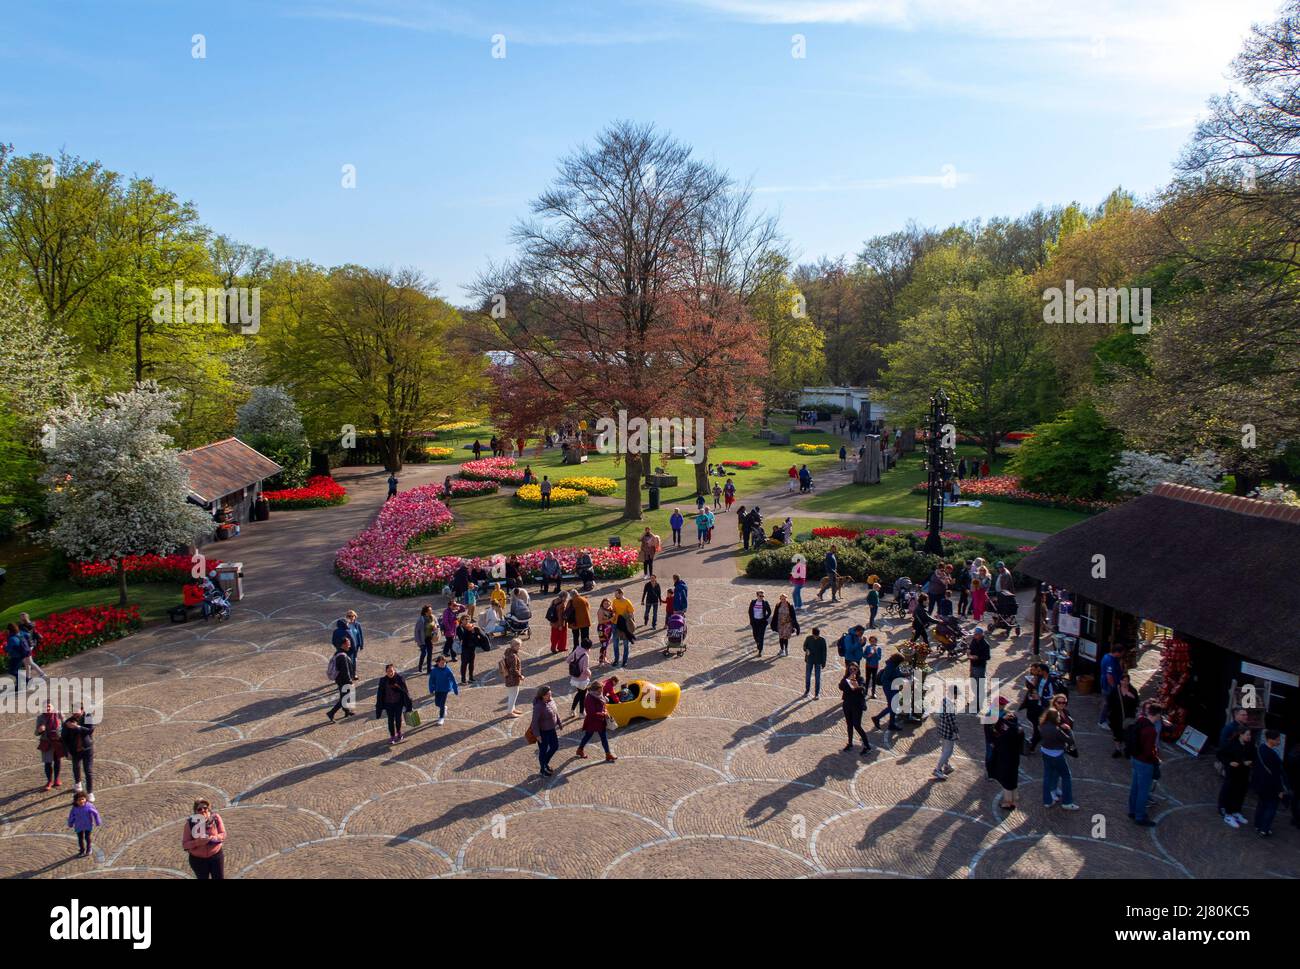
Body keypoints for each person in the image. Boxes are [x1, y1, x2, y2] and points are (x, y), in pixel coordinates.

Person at [1128, 703, 1163, 827]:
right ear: (1157, 715)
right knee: (1143, 790)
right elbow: (1149, 751)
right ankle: (1140, 816)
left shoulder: (1141, 721)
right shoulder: (1151, 730)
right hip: (1145, 762)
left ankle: (1132, 811)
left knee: (1135, 787)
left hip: (1135, 758)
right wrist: (1156, 759)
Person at [1039, 708, 1080, 810]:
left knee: (1047, 775)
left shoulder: (1042, 726)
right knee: (1066, 776)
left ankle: (1047, 801)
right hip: (1057, 754)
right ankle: (1067, 802)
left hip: (1045, 752)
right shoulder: (1056, 730)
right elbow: (1070, 740)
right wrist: (1069, 730)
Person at [986, 699, 1023, 810]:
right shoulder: (1018, 731)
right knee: (1013, 778)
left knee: (1007, 780)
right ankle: (1014, 800)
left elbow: (994, 738)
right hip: (1014, 757)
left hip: (1005, 757)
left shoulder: (1004, 733)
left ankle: (1008, 802)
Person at [1217, 725, 1254, 828]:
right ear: (1241, 734)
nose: (1249, 736)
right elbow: (1220, 755)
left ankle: (1236, 811)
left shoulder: (1250, 745)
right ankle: (1228, 814)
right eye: (1247, 734)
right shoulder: (1231, 744)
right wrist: (1229, 762)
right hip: (1233, 773)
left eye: (1250, 735)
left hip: (1244, 773)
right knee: (1231, 792)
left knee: (1241, 793)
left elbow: (1253, 756)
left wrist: (1250, 762)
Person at [1251, 729, 1287, 837]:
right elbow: (1276, 775)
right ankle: (1264, 828)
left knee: (1261, 805)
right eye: (1277, 740)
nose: (1279, 742)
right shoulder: (1272, 755)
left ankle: (1258, 825)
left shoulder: (1260, 749)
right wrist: (1280, 790)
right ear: (1270, 740)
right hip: (1271, 786)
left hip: (1260, 784)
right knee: (1271, 807)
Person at [182, 798, 227, 879]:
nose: (203, 810)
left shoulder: (215, 818)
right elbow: (185, 844)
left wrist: (212, 838)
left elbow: (223, 834)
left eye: (205, 808)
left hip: (216, 857)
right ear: (195, 811)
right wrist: (197, 842)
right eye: (199, 809)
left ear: (208, 808)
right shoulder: (190, 824)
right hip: (198, 860)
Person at [577, 682, 617, 762]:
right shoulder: (589, 698)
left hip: (600, 721)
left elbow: (603, 705)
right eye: (600, 690)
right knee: (588, 735)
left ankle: (608, 754)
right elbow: (591, 713)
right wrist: (603, 714)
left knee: (603, 737)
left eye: (601, 690)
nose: (601, 692)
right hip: (593, 721)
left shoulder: (599, 695)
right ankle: (580, 750)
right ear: (595, 690)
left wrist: (605, 711)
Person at [61, 708, 95, 801]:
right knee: (76, 767)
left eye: (77, 711)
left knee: (88, 771)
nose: (75, 713)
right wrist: (67, 752)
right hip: (75, 750)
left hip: (87, 749)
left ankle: (90, 792)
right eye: (73, 712)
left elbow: (90, 730)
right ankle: (78, 783)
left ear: (82, 710)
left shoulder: (88, 717)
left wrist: (77, 727)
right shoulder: (68, 722)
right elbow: (64, 738)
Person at [375, 663, 413, 744]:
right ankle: (392, 736)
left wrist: (408, 704)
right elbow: (380, 693)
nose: (390, 673)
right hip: (388, 704)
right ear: (386, 672)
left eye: (391, 671)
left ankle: (399, 732)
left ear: (394, 670)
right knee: (390, 720)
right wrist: (379, 706)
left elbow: (405, 691)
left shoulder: (400, 678)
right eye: (388, 671)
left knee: (398, 719)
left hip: (398, 703)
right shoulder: (383, 680)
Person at [838, 663, 872, 754]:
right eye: (851, 669)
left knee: (857, 725)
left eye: (855, 669)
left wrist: (856, 686)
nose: (853, 671)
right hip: (847, 704)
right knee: (849, 724)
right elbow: (841, 687)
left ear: (858, 670)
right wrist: (848, 679)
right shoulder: (846, 678)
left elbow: (863, 689)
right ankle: (850, 743)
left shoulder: (860, 679)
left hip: (857, 705)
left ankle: (867, 746)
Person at [1107, 674, 1140, 758]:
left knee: (1128, 735)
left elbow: (1137, 703)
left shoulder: (1133, 691)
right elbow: (1109, 701)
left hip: (1128, 717)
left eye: (1127, 681)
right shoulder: (1115, 690)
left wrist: (1132, 697)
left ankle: (1127, 749)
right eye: (1123, 680)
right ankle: (1118, 750)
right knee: (1117, 734)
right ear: (1120, 681)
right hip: (1116, 717)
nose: (1125, 682)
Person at [531, 686, 561, 776]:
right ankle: (543, 769)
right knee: (543, 751)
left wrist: (559, 722)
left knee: (555, 746)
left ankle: (545, 763)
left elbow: (555, 711)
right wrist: (537, 735)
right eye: (548, 694)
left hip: (551, 729)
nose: (550, 695)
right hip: (543, 732)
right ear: (542, 695)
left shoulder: (551, 701)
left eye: (550, 694)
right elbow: (534, 722)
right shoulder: (538, 707)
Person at [872, 653, 905, 731]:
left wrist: (902, 675)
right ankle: (877, 718)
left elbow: (896, 674)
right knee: (892, 707)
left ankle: (891, 724)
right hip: (889, 689)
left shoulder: (894, 665)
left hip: (894, 689)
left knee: (894, 706)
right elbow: (884, 680)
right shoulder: (890, 667)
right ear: (897, 661)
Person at [326, 639, 357, 722]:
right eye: (348, 644)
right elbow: (345, 671)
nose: (349, 646)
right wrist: (350, 682)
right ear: (343, 645)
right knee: (344, 698)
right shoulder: (342, 656)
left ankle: (347, 711)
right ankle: (331, 713)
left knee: (344, 696)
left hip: (340, 680)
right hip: (344, 681)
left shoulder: (338, 653)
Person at [36, 701, 64, 790]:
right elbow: (36, 733)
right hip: (47, 743)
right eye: (45, 707)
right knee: (48, 763)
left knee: (57, 760)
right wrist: (40, 730)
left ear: (53, 707)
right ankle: (49, 781)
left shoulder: (58, 714)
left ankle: (56, 779)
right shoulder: (40, 718)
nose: (47, 708)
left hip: (57, 742)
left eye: (49, 706)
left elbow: (65, 725)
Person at [932, 692, 959, 780]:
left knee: (944, 749)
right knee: (948, 751)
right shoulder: (950, 705)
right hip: (948, 731)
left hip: (942, 729)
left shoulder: (944, 700)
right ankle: (938, 769)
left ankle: (946, 765)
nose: (957, 696)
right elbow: (951, 720)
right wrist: (956, 731)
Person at [427, 654, 459, 726]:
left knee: (441, 703)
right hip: (438, 689)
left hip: (445, 689)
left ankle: (441, 718)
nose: (443, 664)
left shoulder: (448, 670)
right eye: (441, 663)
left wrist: (455, 688)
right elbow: (431, 680)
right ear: (437, 663)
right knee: (437, 703)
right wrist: (431, 689)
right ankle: (444, 708)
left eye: (444, 663)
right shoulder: (434, 671)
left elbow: (453, 679)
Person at [68, 790, 101, 857]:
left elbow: (95, 813)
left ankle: (89, 849)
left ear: (85, 799)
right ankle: (82, 850)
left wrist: (97, 821)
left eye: (82, 799)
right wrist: (70, 823)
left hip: (88, 824)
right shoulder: (75, 808)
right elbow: (71, 816)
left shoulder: (89, 806)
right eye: (79, 800)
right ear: (76, 801)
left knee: (87, 837)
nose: (81, 801)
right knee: (80, 838)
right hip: (78, 825)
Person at [1098, 643, 1124, 726]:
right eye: (1121, 653)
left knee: (1109, 703)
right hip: (1108, 686)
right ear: (1117, 652)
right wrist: (1114, 687)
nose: (1121, 655)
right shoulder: (1110, 661)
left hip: (1107, 684)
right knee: (1107, 703)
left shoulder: (1108, 657)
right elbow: (1109, 676)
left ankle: (1106, 718)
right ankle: (1102, 721)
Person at [457, 618, 489, 684]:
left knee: (471, 664)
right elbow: (462, 638)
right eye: (465, 619)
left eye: (468, 620)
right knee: (464, 664)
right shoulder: (459, 628)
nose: (467, 621)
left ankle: (471, 678)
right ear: (461, 620)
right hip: (465, 649)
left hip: (472, 648)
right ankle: (463, 680)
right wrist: (469, 631)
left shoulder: (471, 627)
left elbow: (477, 636)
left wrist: (473, 632)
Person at [610, 589, 636, 668]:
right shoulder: (614, 601)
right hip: (615, 624)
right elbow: (613, 611)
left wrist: (628, 623)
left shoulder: (627, 602)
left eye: (616, 594)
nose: (615, 596)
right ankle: (616, 660)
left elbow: (631, 614)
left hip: (624, 625)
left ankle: (624, 661)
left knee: (625, 644)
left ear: (621, 594)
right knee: (615, 644)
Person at [567, 638, 592, 719]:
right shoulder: (585, 656)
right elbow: (585, 670)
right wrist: (590, 673)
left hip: (575, 677)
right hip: (582, 679)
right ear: (588, 647)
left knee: (579, 694)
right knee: (582, 696)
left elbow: (568, 660)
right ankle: (581, 713)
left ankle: (572, 710)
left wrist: (575, 664)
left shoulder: (576, 650)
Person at [499, 638, 524, 716]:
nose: (520, 647)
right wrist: (520, 676)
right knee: (513, 695)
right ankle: (510, 712)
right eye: (519, 646)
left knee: (511, 694)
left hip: (509, 678)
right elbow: (513, 669)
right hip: (513, 679)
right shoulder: (513, 656)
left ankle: (512, 709)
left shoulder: (508, 651)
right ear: (515, 646)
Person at [770, 593, 800, 657]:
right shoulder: (778, 605)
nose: (783, 600)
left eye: (784, 599)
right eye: (782, 599)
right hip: (780, 624)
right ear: (780, 599)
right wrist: (772, 624)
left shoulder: (790, 606)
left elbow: (793, 616)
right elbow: (775, 615)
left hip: (787, 625)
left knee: (785, 637)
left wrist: (797, 627)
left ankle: (786, 649)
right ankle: (782, 649)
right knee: (781, 637)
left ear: (786, 598)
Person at [802, 627, 827, 698]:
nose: (816, 637)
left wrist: (823, 662)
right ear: (812, 634)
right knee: (808, 676)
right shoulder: (808, 638)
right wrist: (806, 650)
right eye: (814, 636)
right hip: (809, 660)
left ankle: (817, 693)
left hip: (818, 661)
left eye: (817, 636)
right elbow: (804, 646)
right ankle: (807, 690)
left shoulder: (822, 640)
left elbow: (824, 652)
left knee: (817, 677)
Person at [748, 591, 772, 656]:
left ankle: (760, 650)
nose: (762, 597)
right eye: (760, 596)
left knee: (761, 637)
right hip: (755, 622)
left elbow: (769, 612)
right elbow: (750, 612)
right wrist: (751, 620)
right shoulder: (753, 602)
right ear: (757, 596)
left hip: (762, 622)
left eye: (762, 596)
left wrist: (765, 618)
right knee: (755, 635)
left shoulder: (765, 603)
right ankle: (758, 643)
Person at [415, 604, 436, 673]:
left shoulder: (432, 617)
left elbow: (436, 624)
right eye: (430, 610)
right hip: (423, 640)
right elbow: (416, 631)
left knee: (430, 654)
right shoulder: (421, 620)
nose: (431, 611)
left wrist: (435, 628)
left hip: (430, 638)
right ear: (425, 612)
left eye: (431, 610)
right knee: (423, 653)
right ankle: (420, 666)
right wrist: (419, 642)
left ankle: (429, 669)